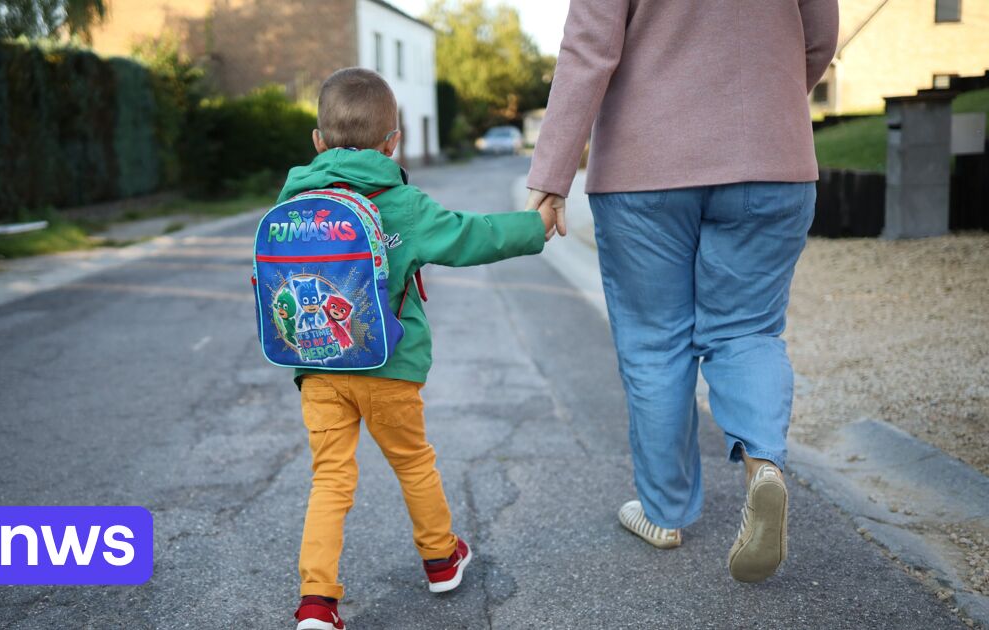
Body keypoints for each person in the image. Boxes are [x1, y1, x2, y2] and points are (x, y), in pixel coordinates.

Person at [526, 0, 839, 583]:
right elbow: (819, 38)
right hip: (772, 162)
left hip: (645, 169)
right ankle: (763, 465)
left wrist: (551, 177)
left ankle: (663, 512)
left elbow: (589, 50)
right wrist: (765, 110)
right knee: (748, 330)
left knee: (655, 343)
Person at [282, 68, 556, 630]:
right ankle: (439, 558)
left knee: (330, 479)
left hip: (317, 366)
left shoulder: (295, 200)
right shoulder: (401, 203)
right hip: (389, 364)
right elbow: (471, 234)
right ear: (394, 141)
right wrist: (535, 225)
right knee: (412, 462)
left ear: (316, 142)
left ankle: (316, 602)